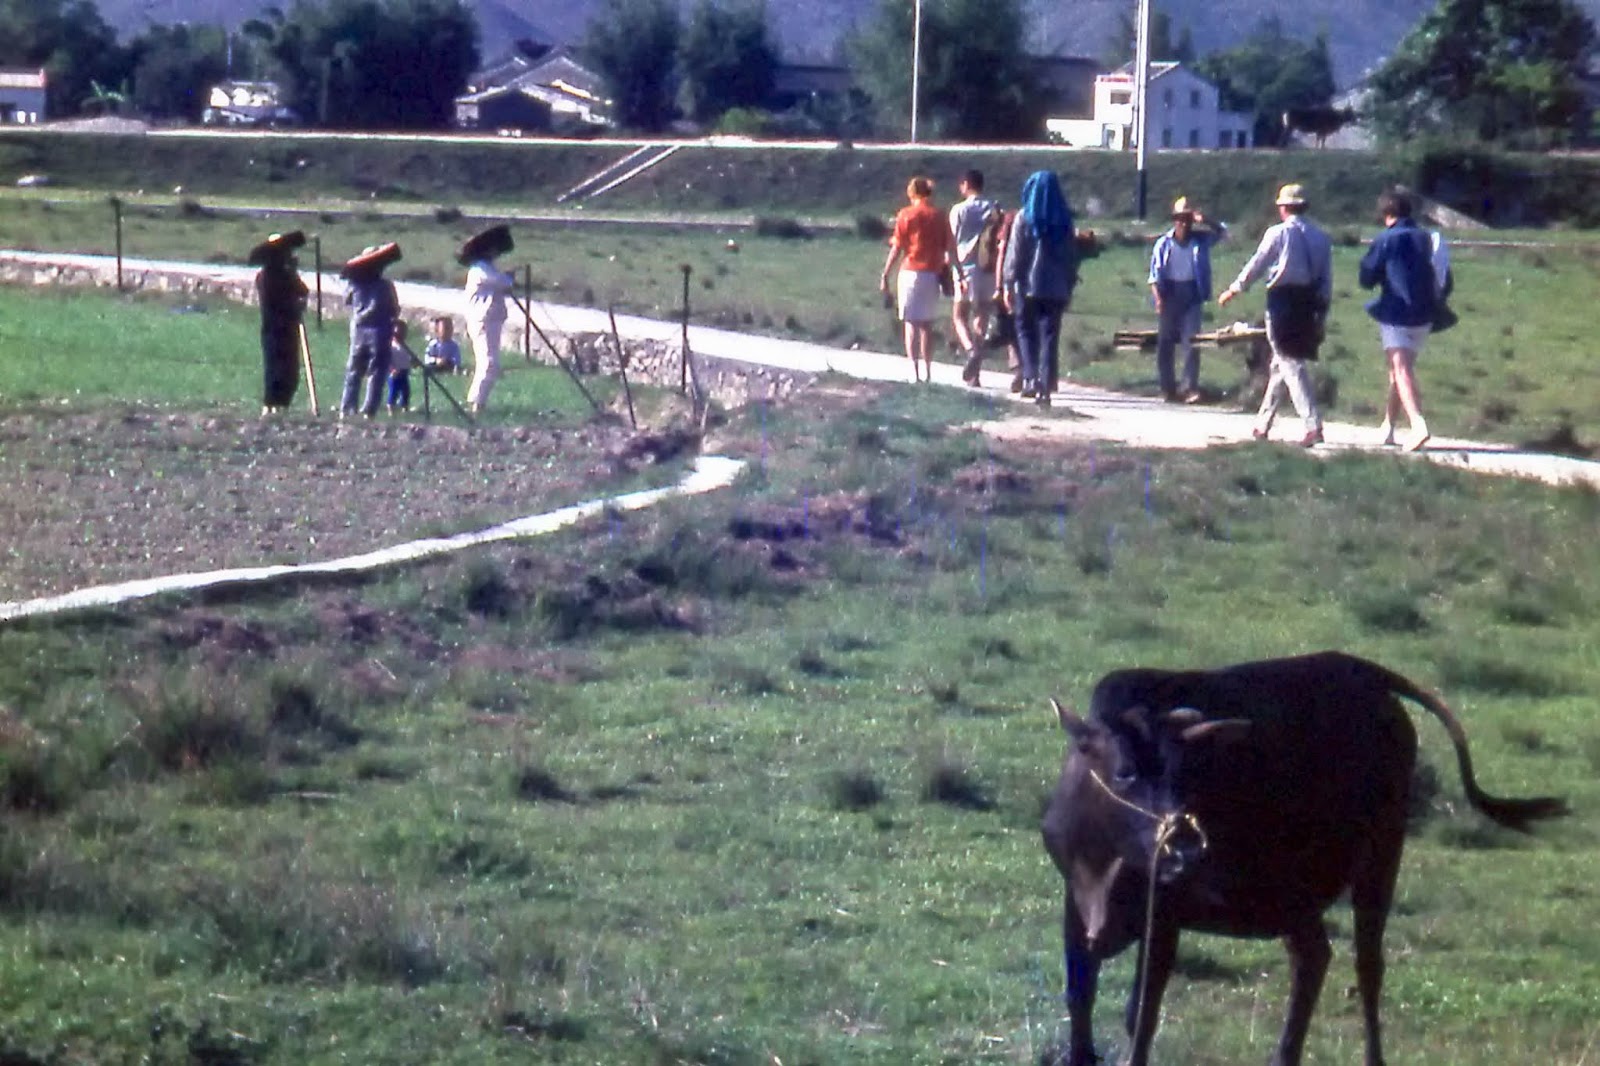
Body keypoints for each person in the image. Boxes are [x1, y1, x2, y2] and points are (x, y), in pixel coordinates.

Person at [1219, 183, 1332, 448]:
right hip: (1310, 302)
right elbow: (1326, 278)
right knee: (1280, 364)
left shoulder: (1277, 233)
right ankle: (1262, 424)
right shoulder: (1321, 237)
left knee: (1290, 363)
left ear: (1283, 208)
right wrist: (1322, 312)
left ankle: (1312, 424)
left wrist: (1235, 289)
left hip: (1283, 302)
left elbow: (1257, 263)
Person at [1359, 187, 1439, 452]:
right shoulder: (1425, 238)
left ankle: (1418, 425)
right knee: (1398, 371)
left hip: (1396, 311)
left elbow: (1367, 277)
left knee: (1401, 370)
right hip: (1425, 313)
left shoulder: (1386, 239)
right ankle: (1388, 426)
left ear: (1386, 213)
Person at [1001, 170, 1079, 407]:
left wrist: (1007, 283)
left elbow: (1015, 254)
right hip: (1056, 288)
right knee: (1050, 336)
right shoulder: (1065, 220)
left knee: (1025, 330)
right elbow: (1070, 256)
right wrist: (1070, 283)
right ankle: (1045, 386)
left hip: (1028, 285)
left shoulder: (1024, 217)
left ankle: (1029, 378)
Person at [1148, 197, 1228, 403]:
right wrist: (1158, 300)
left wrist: (1206, 220)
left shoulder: (1199, 241)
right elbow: (1154, 276)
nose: (1184, 223)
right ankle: (1167, 388)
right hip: (1169, 293)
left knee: (1191, 342)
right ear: (1174, 220)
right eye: (1180, 219)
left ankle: (1189, 387)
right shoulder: (1163, 244)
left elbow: (1222, 233)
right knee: (1165, 343)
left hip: (1192, 293)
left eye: (1187, 219)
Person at [879, 176, 954, 383]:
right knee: (927, 325)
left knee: (910, 323)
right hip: (932, 274)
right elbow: (949, 247)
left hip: (910, 272)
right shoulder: (939, 215)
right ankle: (928, 370)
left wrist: (885, 273)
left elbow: (897, 247)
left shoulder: (905, 215)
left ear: (911, 193)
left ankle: (914, 371)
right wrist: (958, 273)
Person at [339, 242, 402, 419]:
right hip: (379, 330)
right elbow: (394, 308)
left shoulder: (354, 284)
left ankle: (347, 407)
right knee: (377, 371)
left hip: (358, 329)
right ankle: (368, 410)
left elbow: (347, 301)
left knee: (354, 369)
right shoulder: (385, 285)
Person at [248, 230, 308, 417]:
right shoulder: (267, 276)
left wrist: (293, 273)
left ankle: (283, 404)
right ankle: (271, 404)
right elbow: (277, 300)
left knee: (290, 367)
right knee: (276, 366)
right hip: (274, 326)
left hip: (289, 326)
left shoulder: (286, 273)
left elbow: (302, 291)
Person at [949, 169, 1000, 384]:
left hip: (965, 266)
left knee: (959, 315)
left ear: (966, 184)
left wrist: (952, 267)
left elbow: (951, 241)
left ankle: (970, 350)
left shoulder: (959, 210)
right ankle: (975, 374)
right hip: (987, 268)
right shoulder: (993, 209)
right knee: (982, 315)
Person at [459, 224, 516, 414]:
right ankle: (476, 404)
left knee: (489, 362)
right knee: (488, 363)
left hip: (490, 319)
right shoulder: (480, 268)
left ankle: (478, 402)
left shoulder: (487, 268)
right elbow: (502, 282)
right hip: (482, 320)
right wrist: (509, 278)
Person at [387, 320, 416, 414]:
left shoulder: (405, 347)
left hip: (404, 373)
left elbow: (410, 358)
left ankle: (405, 407)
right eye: (399, 334)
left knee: (406, 391)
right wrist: (391, 369)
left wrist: (413, 362)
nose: (401, 336)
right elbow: (387, 360)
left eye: (403, 333)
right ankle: (390, 408)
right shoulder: (391, 346)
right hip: (394, 374)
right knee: (393, 392)